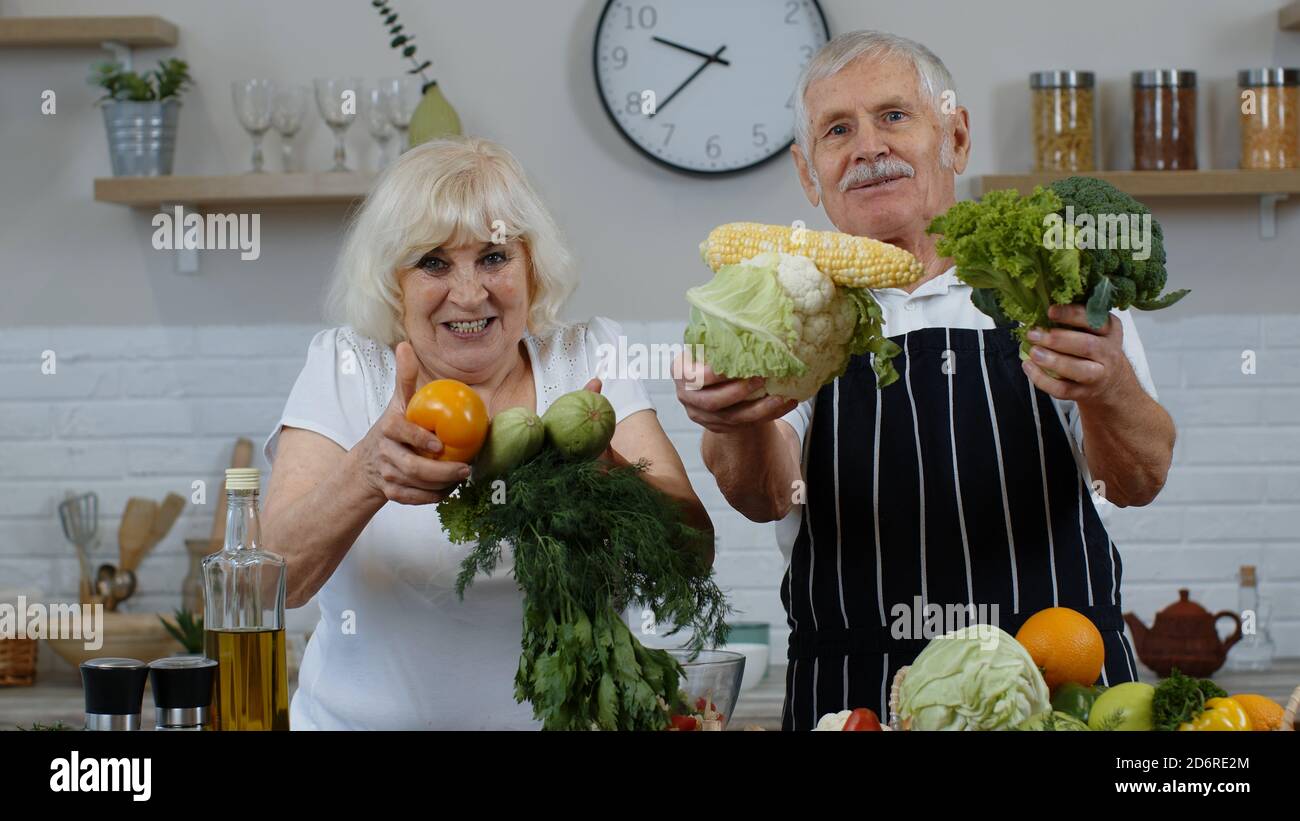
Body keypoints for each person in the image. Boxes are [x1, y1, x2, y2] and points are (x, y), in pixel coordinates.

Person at [675, 31, 1174, 730]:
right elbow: (762, 495)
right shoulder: (787, 301)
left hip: (1055, 691)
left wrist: (1110, 385)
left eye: (894, 116)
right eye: (837, 130)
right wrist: (734, 419)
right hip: (854, 698)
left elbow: (1138, 480)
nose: (868, 147)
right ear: (807, 173)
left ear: (957, 138)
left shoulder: (1051, 274)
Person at [262, 136, 712, 729]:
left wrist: (608, 472)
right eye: (433, 262)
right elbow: (270, 583)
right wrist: (366, 472)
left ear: (533, 265)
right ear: (391, 281)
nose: (470, 292)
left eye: (494, 257)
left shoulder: (587, 358)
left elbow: (690, 559)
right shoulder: (348, 366)